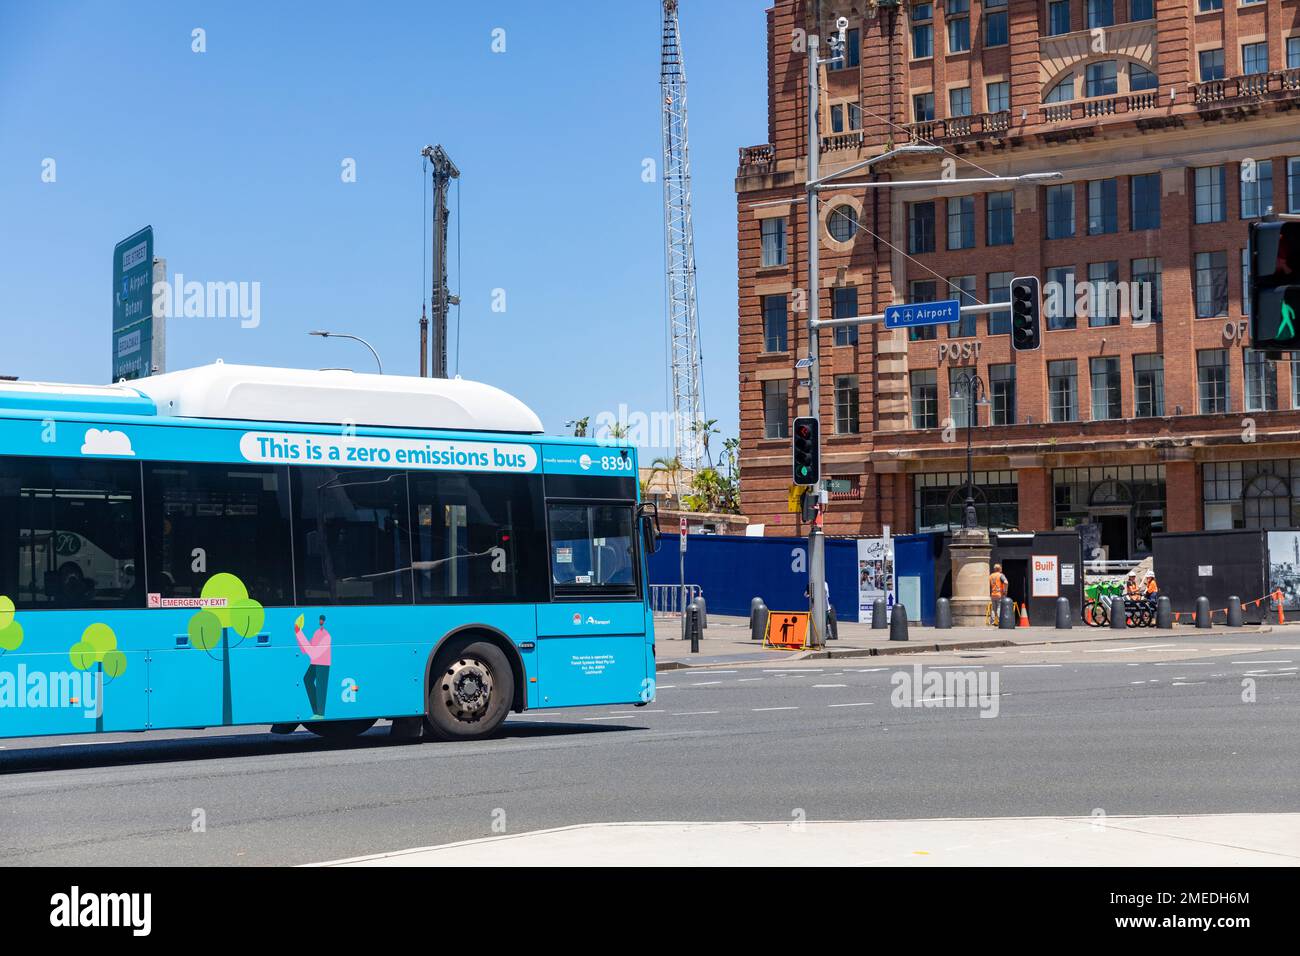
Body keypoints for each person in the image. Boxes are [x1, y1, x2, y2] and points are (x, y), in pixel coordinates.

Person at [294, 613, 333, 719]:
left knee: (321, 687)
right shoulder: (316, 633)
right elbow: (305, 649)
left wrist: (299, 634)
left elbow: (313, 653)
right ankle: (316, 712)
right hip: (315, 662)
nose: (321, 621)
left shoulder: (327, 636)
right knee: (307, 679)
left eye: (322, 620)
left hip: (323, 663)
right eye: (320, 619)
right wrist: (298, 633)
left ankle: (320, 714)